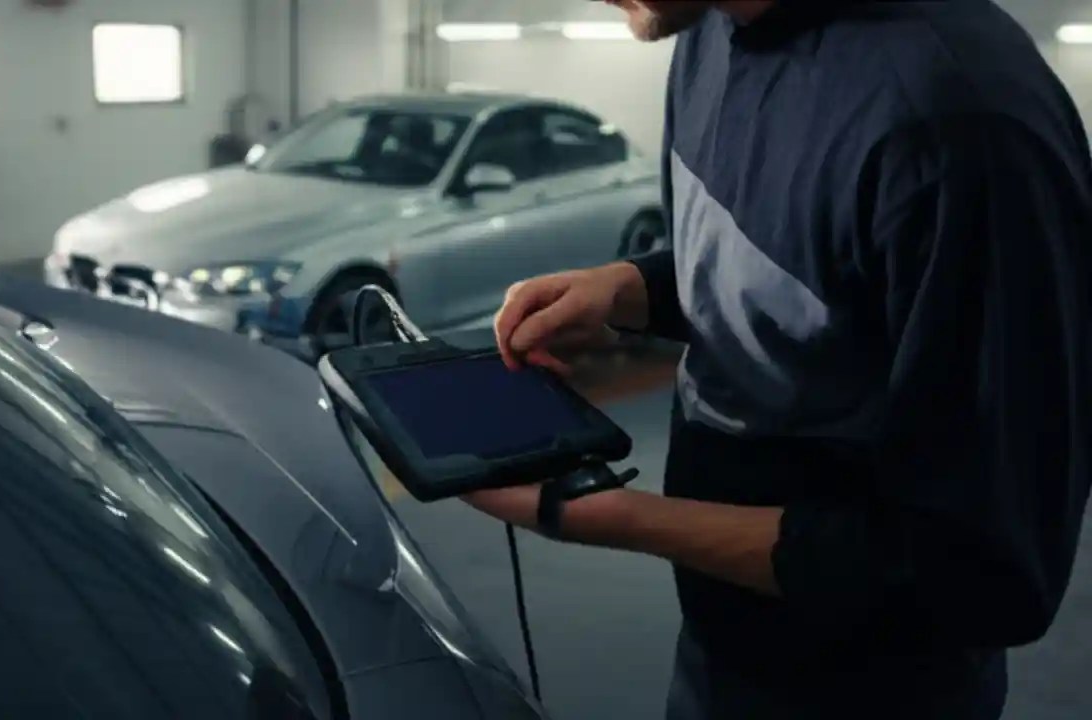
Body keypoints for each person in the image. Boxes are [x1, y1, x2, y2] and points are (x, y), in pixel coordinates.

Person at [462, 1, 1092, 718]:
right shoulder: (704, 25)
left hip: (876, 694)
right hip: (720, 652)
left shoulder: (963, 124)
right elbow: (813, 270)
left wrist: (609, 516)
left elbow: (984, 571)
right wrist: (631, 288)